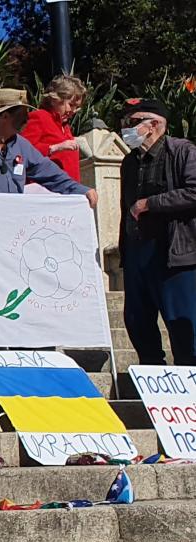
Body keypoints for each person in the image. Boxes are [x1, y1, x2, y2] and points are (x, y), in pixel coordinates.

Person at [118, 98, 196, 366]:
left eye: (133, 122)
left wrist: (151, 203)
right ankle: (153, 374)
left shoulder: (182, 151)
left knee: (182, 322)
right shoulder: (129, 162)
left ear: (153, 124)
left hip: (173, 251)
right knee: (137, 319)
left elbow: (194, 191)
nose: (126, 128)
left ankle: (190, 378)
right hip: (138, 250)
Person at [20, 75, 87, 182]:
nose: (73, 111)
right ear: (54, 100)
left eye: (76, 107)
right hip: (46, 191)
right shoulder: (40, 117)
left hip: (69, 191)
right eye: (70, 104)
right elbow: (22, 150)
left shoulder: (65, 127)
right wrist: (54, 148)